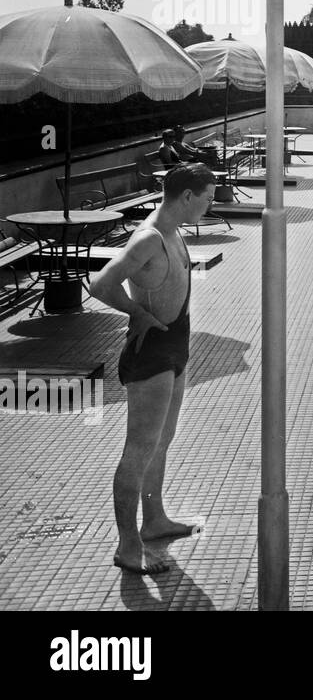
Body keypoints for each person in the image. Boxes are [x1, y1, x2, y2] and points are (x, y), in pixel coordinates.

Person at [89, 164, 217, 575]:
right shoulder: (148, 239)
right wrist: (136, 311)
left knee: (162, 440)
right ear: (186, 196)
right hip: (151, 353)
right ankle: (128, 546)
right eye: (208, 197)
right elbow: (101, 283)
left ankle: (154, 520)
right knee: (139, 447)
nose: (211, 204)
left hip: (175, 344)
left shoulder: (174, 231)